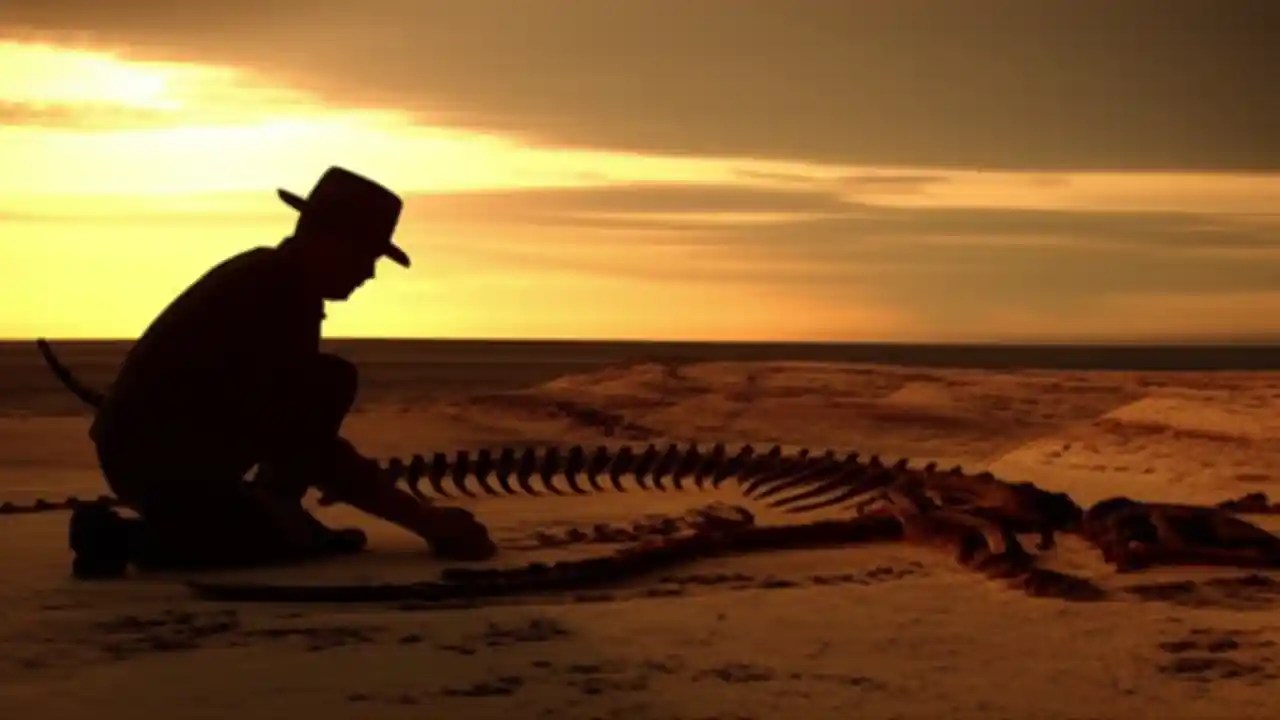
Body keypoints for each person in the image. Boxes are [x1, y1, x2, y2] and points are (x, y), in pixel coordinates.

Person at [70, 166, 496, 578]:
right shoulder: (272, 294)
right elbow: (307, 443)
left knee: (328, 380)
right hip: (154, 458)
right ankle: (119, 537)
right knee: (254, 540)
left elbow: (288, 424)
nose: (368, 273)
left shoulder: (280, 283)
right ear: (330, 242)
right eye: (366, 255)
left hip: (170, 447)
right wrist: (424, 520)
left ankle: (274, 514)